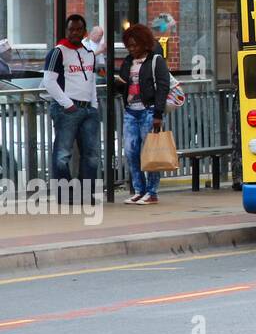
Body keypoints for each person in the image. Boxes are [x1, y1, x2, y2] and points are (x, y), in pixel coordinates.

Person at [41, 14, 101, 199]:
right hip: (67, 108)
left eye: (78, 29)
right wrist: (68, 105)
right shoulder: (57, 52)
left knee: (91, 155)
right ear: (66, 31)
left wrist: (94, 105)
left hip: (88, 109)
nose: (74, 32)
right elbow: (49, 82)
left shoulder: (89, 54)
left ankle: (85, 193)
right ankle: (65, 194)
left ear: (84, 32)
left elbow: (91, 82)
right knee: (62, 154)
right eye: (71, 29)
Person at [114, 23, 171, 205]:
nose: (132, 49)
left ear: (144, 43)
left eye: (135, 45)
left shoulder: (156, 60)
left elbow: (163, 87)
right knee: (131, 152)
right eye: (129, 45)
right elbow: (122, 82)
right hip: (131, 111)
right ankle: (139, 190)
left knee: (151, 152)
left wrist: (158, 114)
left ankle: (152, 192)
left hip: (149, 110)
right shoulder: (128, 62)